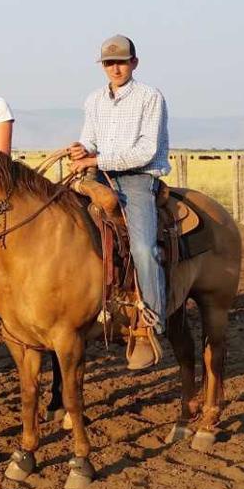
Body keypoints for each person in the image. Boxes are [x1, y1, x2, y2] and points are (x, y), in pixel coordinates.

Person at [67, 35, 170, 369]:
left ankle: (150, 322)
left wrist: (95, 160)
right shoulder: (94, 100)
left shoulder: (149, 97)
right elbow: (89, 138)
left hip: (138, 178)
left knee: (142, 248)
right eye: (109, 63)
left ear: (134, 63)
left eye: (121, 62)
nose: (115, 68)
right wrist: (81, 150)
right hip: (100, 177)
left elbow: (145, 151)